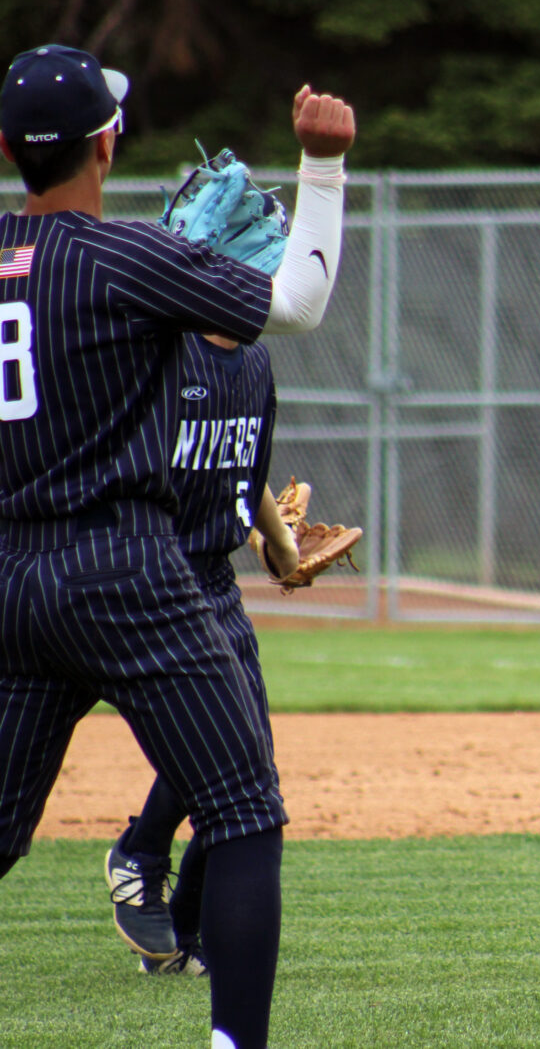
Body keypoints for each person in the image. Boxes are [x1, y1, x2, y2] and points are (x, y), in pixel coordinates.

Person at [0, 43, 353, 1049]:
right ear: (107, 145)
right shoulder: (125, 257)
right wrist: (323, 165)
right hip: (123, 570)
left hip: (13, 578)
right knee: (243, 812)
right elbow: (299, 303)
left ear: (7, 149)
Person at [106, 172, 300, 975]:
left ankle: (181, 935)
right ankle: (140, 853)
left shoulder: (253, 363)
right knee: (230, 760)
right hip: (153, 571)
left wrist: (281, 546)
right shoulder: (163, 352)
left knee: (250, 777)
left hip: (214, 579)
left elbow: (248, 474)